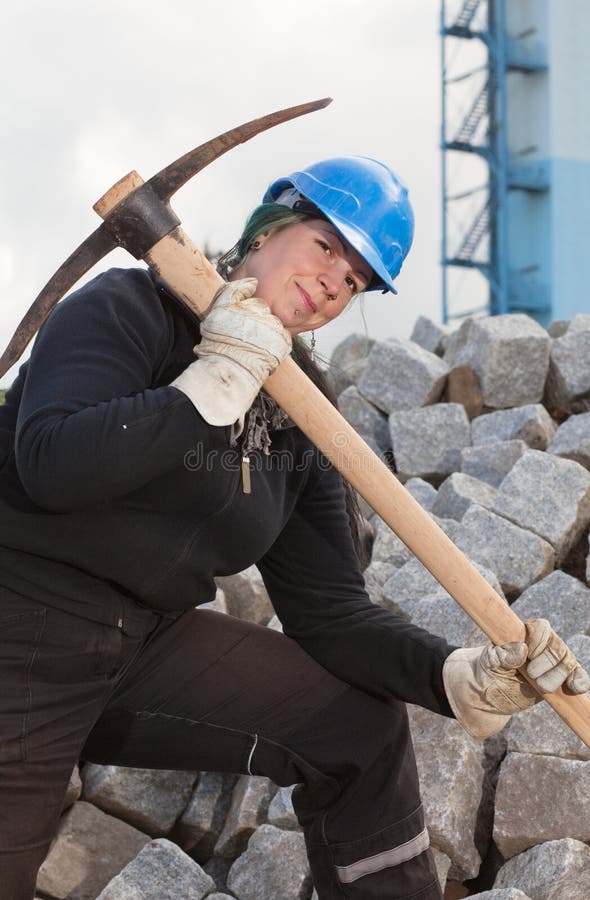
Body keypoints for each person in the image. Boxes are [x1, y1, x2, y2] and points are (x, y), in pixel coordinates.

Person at [0, 155, 587, 900]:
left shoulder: (297, 409)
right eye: (325, 246)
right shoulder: (128, 308)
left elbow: (330, 613)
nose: (331, 284)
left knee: (356, 727)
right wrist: (212, 380)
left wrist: (455, 675)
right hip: (19, 626)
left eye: (352, 283)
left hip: (141, 643)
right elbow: (53, 465)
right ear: (269, 227)